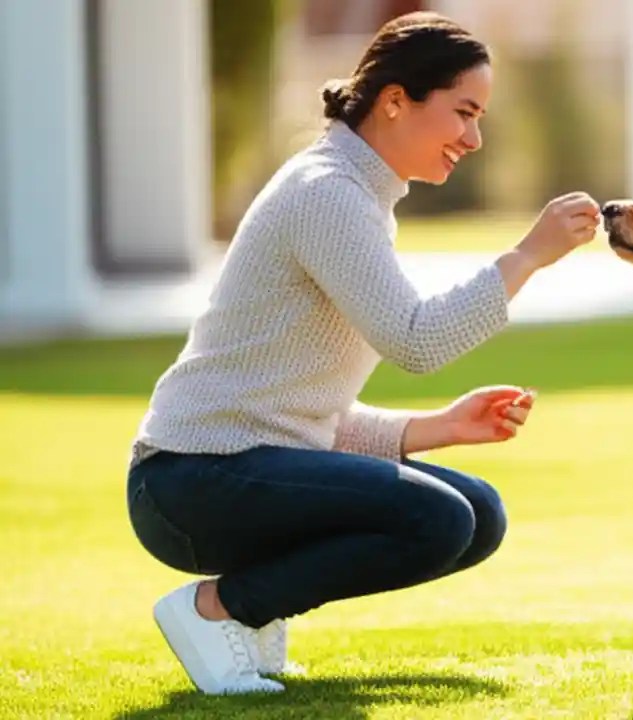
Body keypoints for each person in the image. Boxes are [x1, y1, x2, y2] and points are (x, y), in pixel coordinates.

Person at [125, 11, 600, 695]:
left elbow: (298, 410)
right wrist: (527, 257)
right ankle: (220, 609)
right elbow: (416, 340)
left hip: (233, 471)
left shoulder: (359, 197)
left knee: (478, 516)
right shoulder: (327, 193)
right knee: (438, 518)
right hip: (190, 480)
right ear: (396, 100)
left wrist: (436, 428)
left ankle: (250, 615)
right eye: (463, 112)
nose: (474, 138)